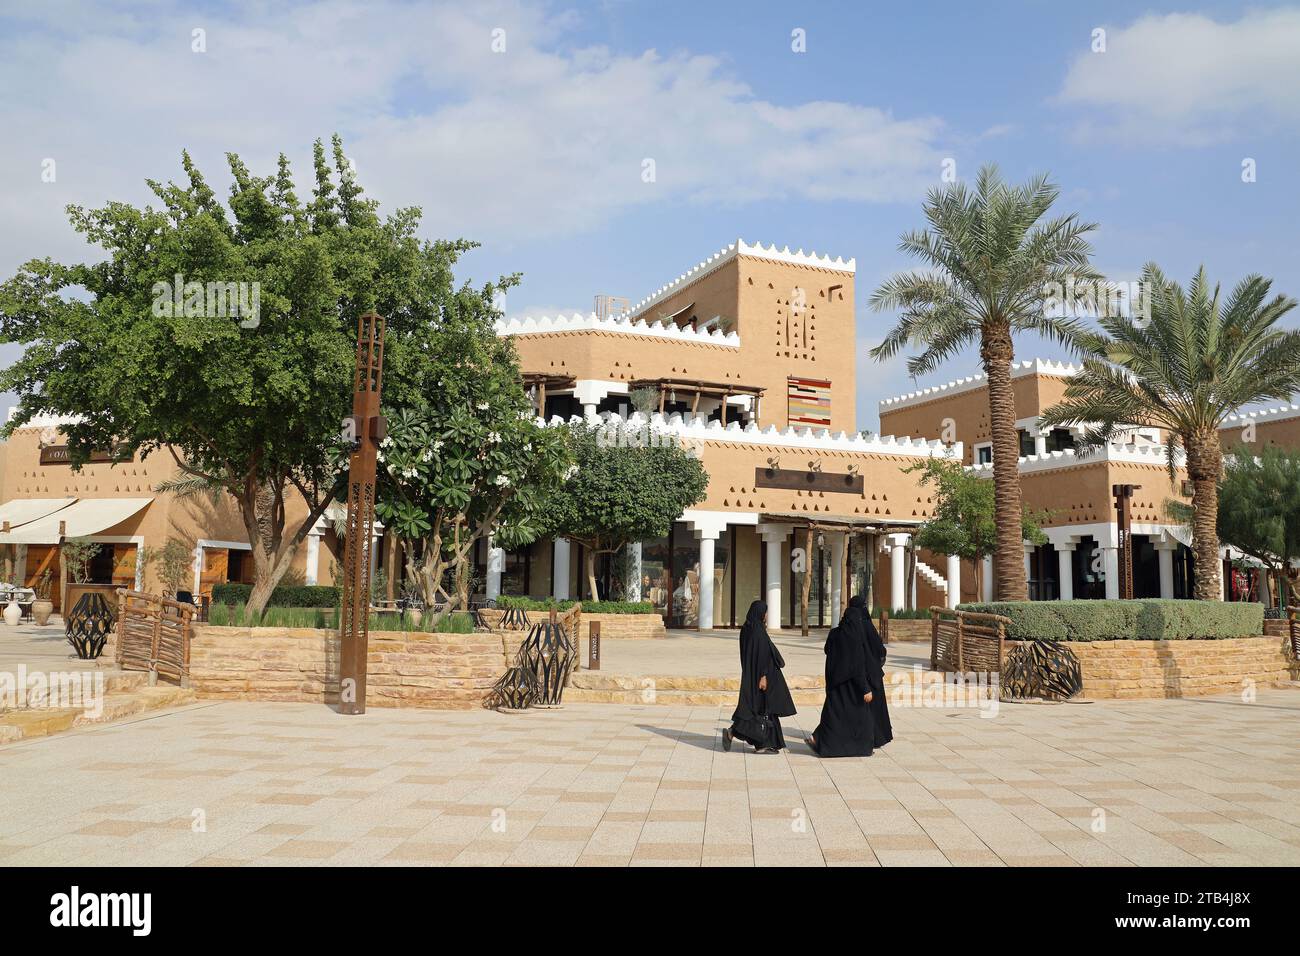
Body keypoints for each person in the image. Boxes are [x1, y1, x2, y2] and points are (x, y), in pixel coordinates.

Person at [723, 600, 796, 753]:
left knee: (757, 708)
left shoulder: (747, 628)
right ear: (760, 613)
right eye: (765, 612)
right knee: (763, 708)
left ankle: (740, 735)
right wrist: (763, 676)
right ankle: (760, 743)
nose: (767, 615)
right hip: (763, 676)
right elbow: (762, 654)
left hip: (752, 673)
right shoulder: (757, 630)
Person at [806, 604, 875, 757]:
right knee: (861, 719)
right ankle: (860, 748)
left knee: (835, 717)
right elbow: (857, 667)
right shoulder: (855, 637)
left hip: (835, 683)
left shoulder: (834, 633)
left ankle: (821, 741)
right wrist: (866, 688)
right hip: (852, 688)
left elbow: (826, 650)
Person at [848, 595, 893, 747]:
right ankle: (877, 736)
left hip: (856, 673)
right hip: (871, 673)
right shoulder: (867, 625)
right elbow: (879, 649)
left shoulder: (850, 625)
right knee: (875, 706)